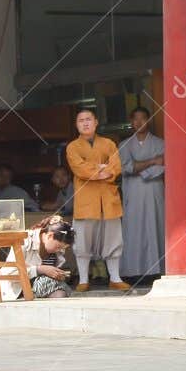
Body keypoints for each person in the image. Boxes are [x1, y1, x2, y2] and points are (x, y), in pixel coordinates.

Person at [66, 109, 130, 292]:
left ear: (96, 122)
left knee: (114, 238)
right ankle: (84, 280)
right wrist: (100, 168)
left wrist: (98, 171)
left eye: (88, 119)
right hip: (86, 201)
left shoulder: (109, 144)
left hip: (108, 199)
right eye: (81, 120)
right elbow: (80, 169)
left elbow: (115, 167)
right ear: (76, 125)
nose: (85, 123)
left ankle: (115, 278)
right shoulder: (72, 147)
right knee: (83, 240)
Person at [118, 107, 165, 284]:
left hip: (154, 193)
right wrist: (152, 161)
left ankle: (157, 270)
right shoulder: (123, 145)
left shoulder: (161, 143)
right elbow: (126, 168)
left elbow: (163, 167)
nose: (139, 122)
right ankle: (133, 271)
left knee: (155, 228)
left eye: (143, 118)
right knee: (134, 231)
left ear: (149, 120)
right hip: (133, 194)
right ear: (131, 122)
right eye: (135, 119)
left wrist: (140, 168)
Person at [19, 217, 75, 300]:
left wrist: (57, 274)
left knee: (62, 290)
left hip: (46, 287)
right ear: (49, 236)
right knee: (59, 293)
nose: (60, 250)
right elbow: (10, 271)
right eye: (58, 247)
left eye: (63, 248)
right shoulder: (25, 240)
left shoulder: (56, 250)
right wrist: (40, 269)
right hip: (21, 287)